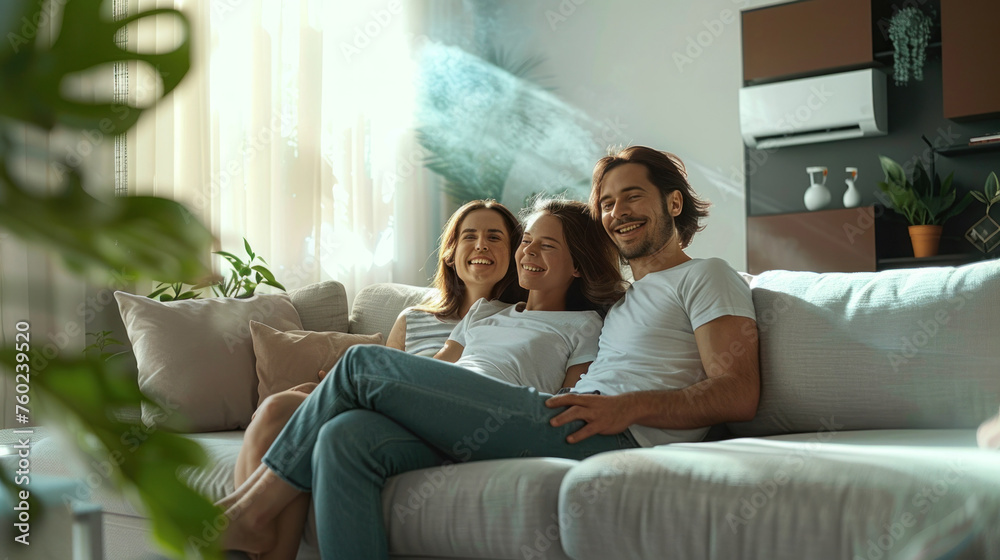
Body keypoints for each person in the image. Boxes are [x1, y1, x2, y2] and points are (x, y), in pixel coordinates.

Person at [220, 146, 761, 559]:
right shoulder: (619, 303)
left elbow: (738, 392)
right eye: (607, 203)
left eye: (632, 196)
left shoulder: (706, 276)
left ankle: (249, 513)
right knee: (347, 437)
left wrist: (627, 408)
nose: (618, 211)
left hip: (608, 435)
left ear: (673, 202)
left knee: (362, 365)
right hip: (571, 418)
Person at [232, 199, 524, 560]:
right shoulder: (413, 317)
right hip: (387, 412)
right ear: (450, 253)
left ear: (513, 253)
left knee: (294, 412)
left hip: (440, 428)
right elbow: (384, 381)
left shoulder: (518, 319)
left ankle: (245, 519)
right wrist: (327, 390)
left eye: (494, 237)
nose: (481, 245)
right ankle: (252, 523)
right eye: (470, 236)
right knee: (276, 408)